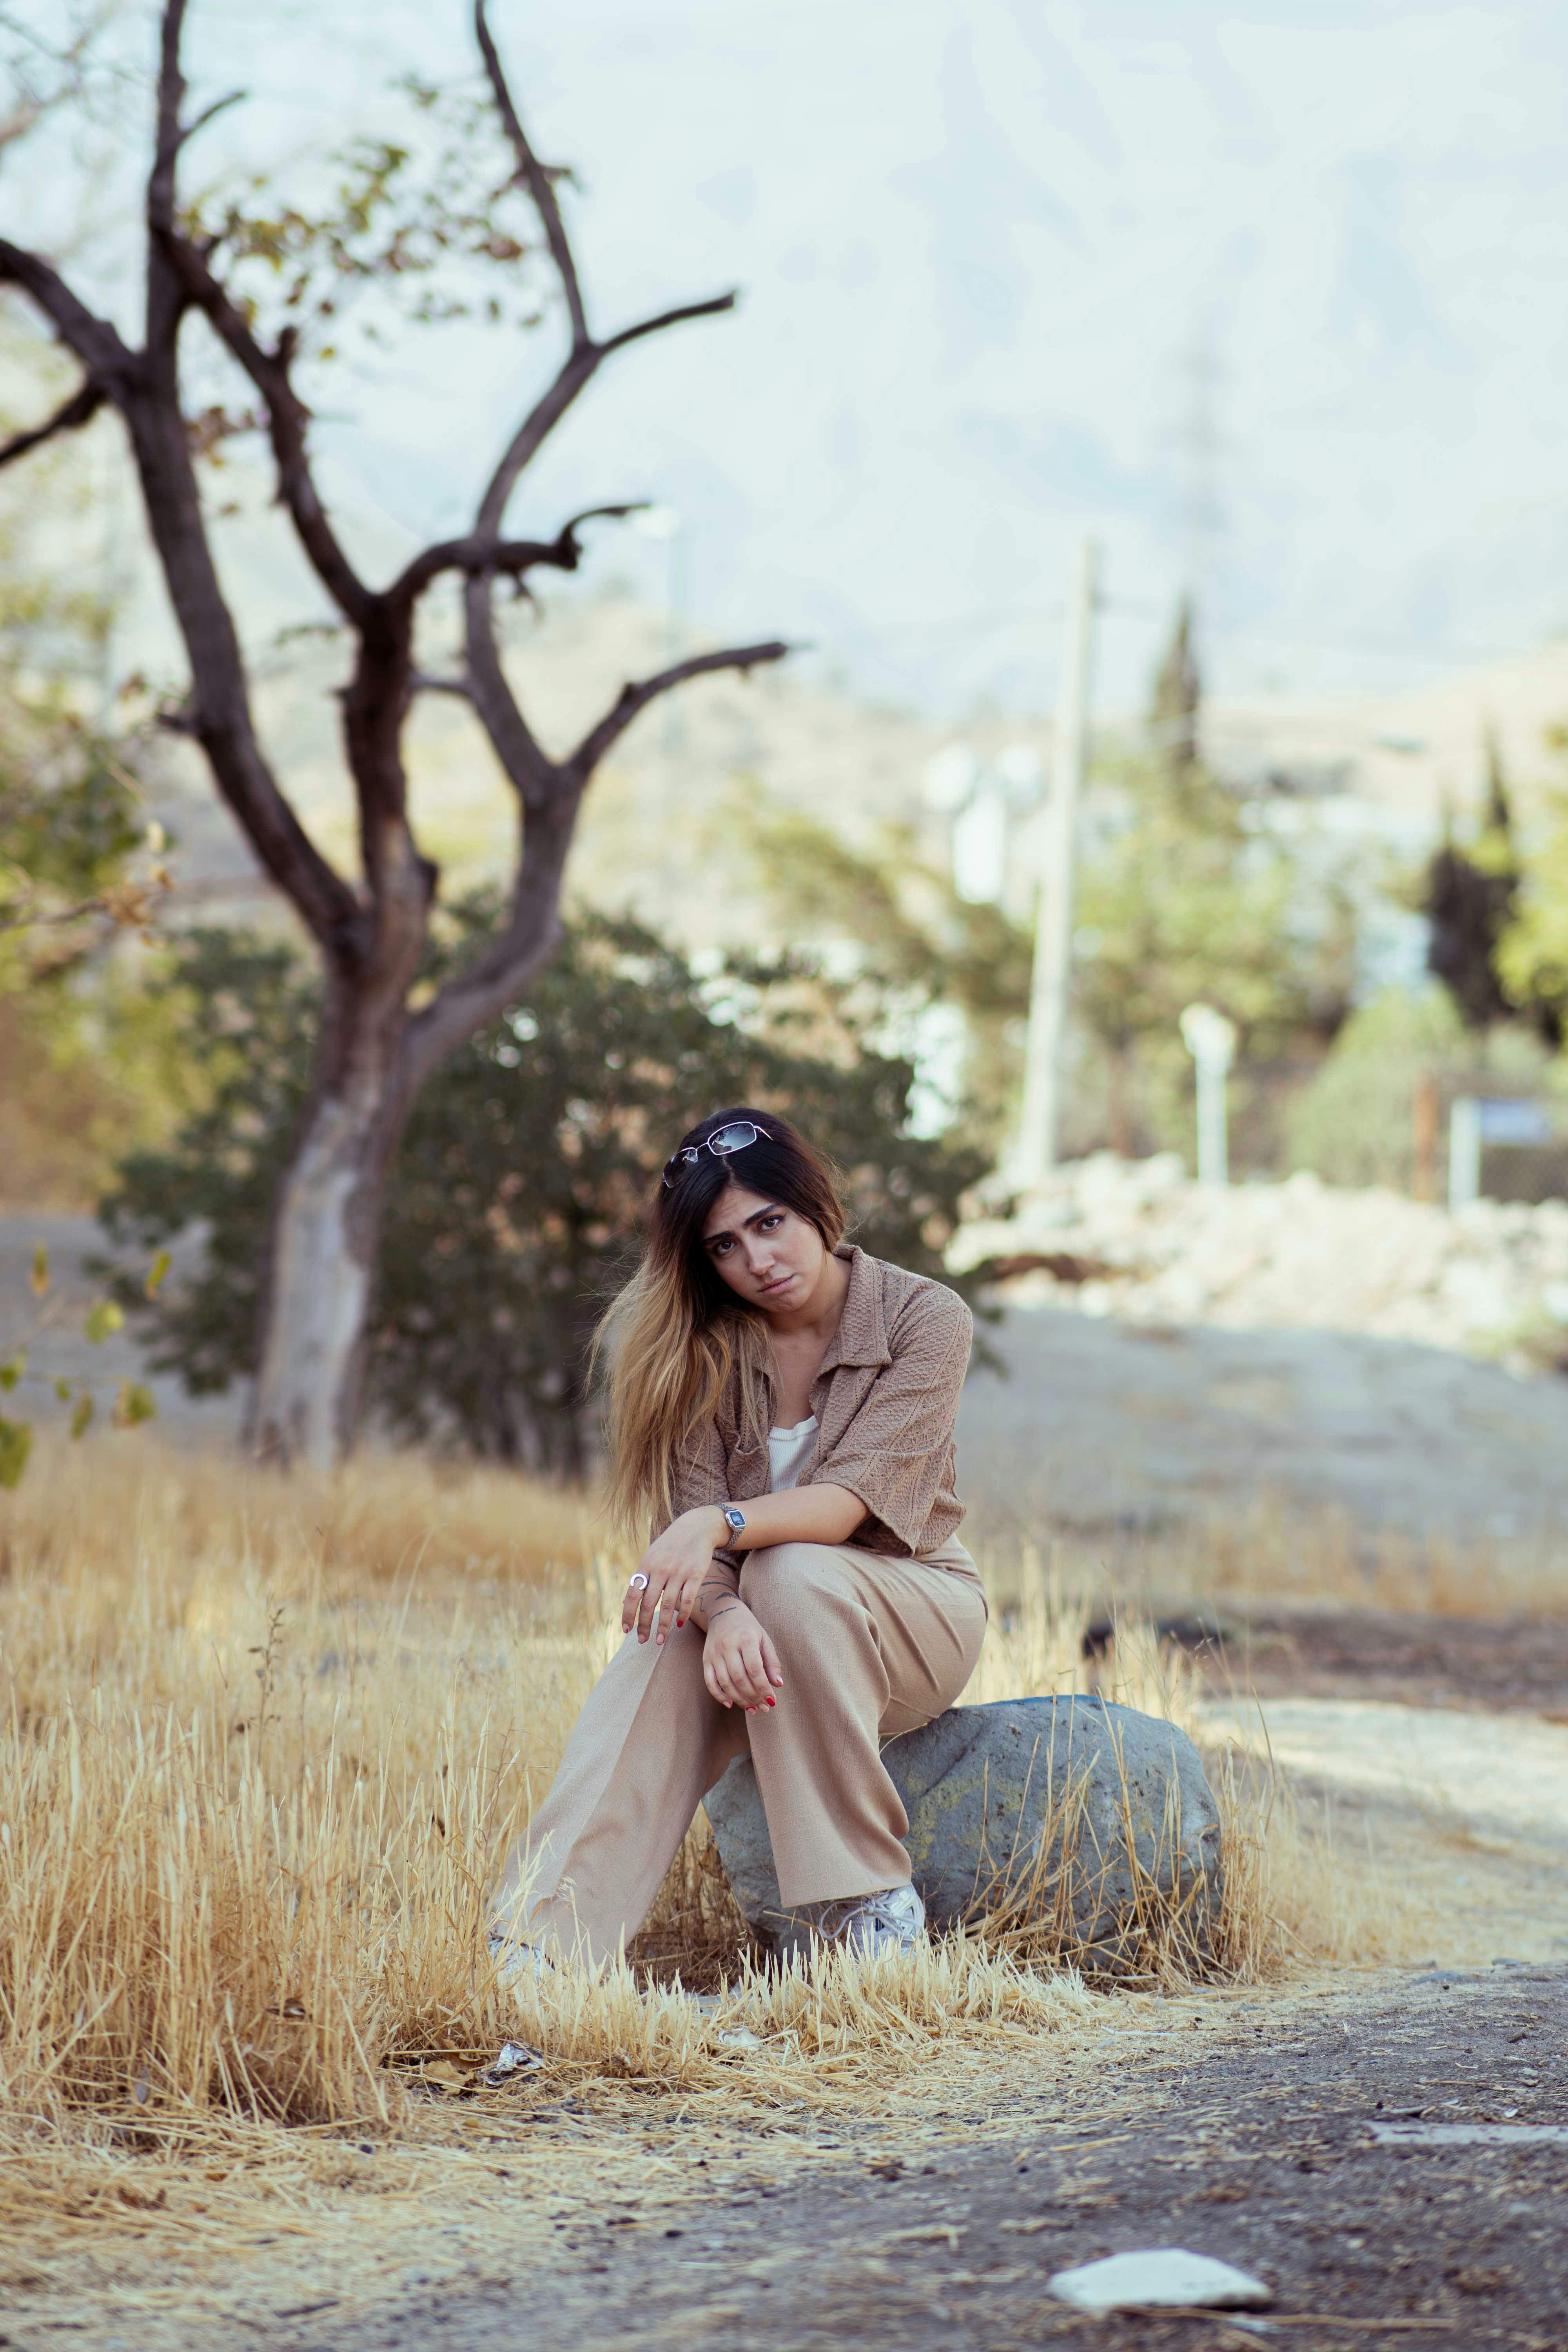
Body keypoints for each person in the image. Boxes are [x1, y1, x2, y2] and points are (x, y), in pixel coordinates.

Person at [487, 1109, 987, 1969]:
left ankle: (866, 1907)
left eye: (769, 1224)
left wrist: (715, 1530)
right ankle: (540, 1947)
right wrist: (718, 1616)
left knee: (793, 1572)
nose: (756, 1260)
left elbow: (844, 1508)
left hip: (910, 1609)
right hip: (752, 1614)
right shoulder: (698, 1349)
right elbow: (695, 1569)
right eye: (723, 1246)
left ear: (815, 1207)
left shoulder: (922, 1317)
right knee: (656, 1649)